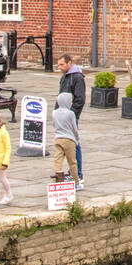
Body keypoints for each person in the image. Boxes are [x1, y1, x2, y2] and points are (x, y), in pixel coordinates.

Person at [57, 54, 86, 183]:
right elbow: (61, 97)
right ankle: (73, 172)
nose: (59, 67)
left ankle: (78, 174)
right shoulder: (65, 76)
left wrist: (72, 115)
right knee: (67, 145)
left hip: (70, 116)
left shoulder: (77, 77)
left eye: (62, 65)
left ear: (69, 63)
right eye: (58, 65)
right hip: (63, 115)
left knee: (74, 145)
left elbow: (80, 99)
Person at [50, 92, 81, 187]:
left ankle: (55, 180)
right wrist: (77, 139)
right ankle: (76, 182)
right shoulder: (70, 113)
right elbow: (74, 128)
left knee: (58, 161)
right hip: (69, 139)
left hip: (58, 138)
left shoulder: (54, 112)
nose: (71, 103)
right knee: (72, 162)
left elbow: (54, 125)